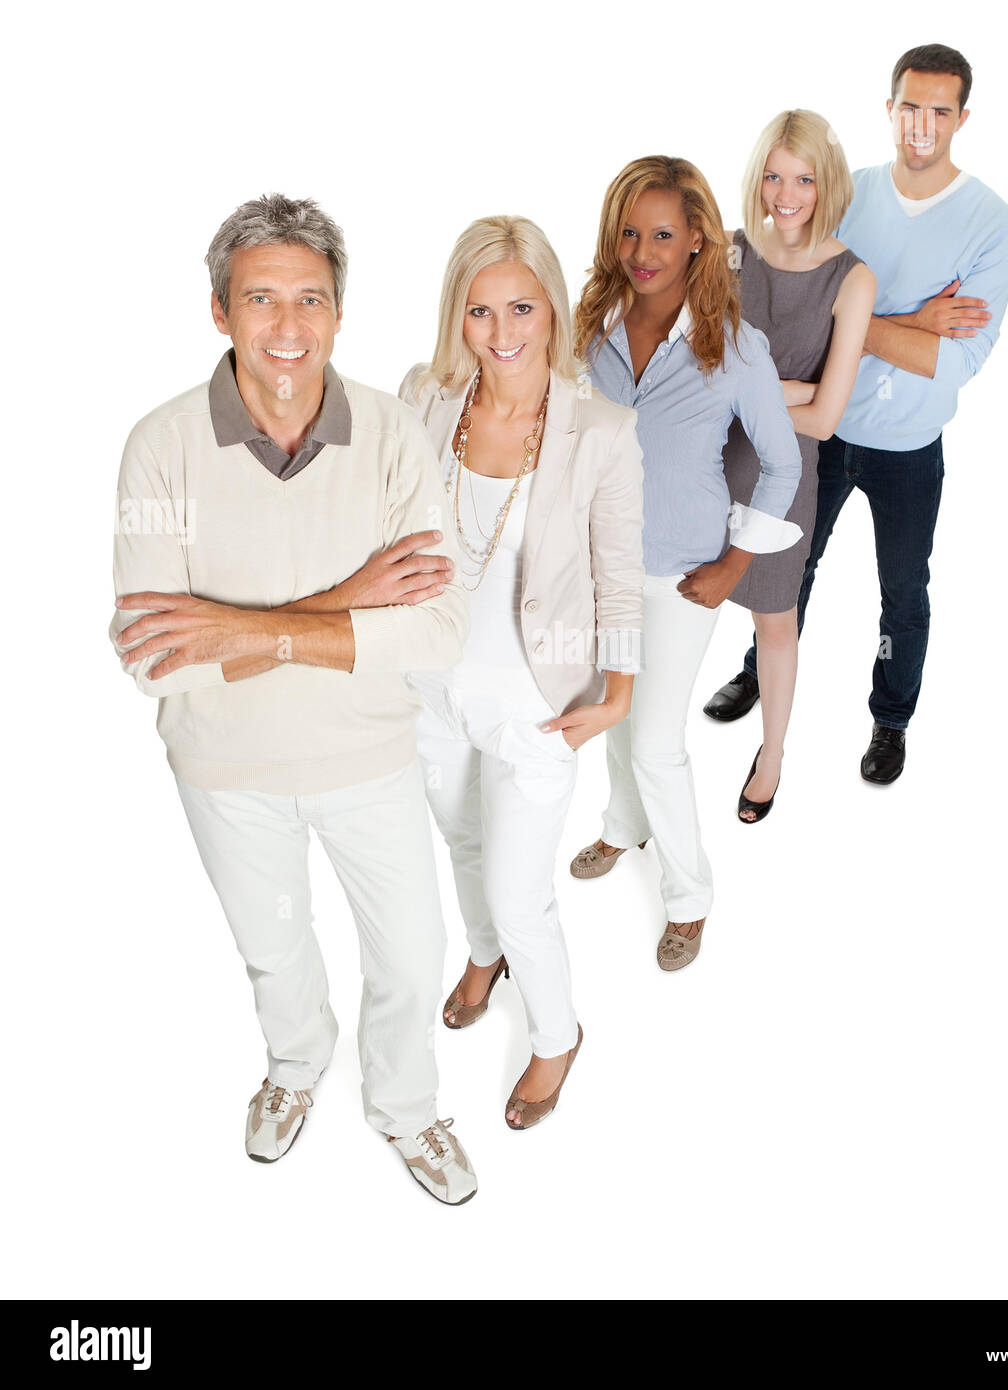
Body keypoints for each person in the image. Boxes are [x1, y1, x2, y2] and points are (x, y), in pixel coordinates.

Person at [110, 193, 479, 1205]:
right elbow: (154, 660)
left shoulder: (396, 434)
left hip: (368, 757)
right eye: (260, 298)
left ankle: (406, 1108)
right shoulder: (159, 446)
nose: (287, 326)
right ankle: (295, 1065)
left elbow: (439, 630)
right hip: (230, 773)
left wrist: (234, 628)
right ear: (219, 311)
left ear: (340, 312)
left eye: (309, 299)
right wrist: (350, 602)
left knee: (412, 954)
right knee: (276, 950)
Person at [705, 44, 1008, 785]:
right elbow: (802, 278)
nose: (921, 124)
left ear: (961, 118)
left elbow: (957, 362)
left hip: (908, 444)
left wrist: (853, 320)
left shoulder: (992, 222)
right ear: (889, 108)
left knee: (903, 588)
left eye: (939, 110)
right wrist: (911, 317)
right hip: (823, 430)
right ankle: (757, 669)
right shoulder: (850, 192)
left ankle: (890, 720)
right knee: (792, 562)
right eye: (909, 106)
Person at [398, 216, 643, 1129]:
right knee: (461, 844)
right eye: (479, 312)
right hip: (432, 685)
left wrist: (617, 693)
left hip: (539, 701)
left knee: (518, 884)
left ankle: (555, 1035)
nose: (501, 333)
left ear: (551, 309)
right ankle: (484, 954)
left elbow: (619, 573)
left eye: (521, 308)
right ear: (455, 317)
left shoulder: (601, 431)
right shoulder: (424, 399)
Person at [569, 155, 803, 969]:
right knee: (612, 717)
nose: (643, 250)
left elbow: (783, 466)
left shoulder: (734, 347)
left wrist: (737, 565)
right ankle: (619, 827)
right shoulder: (587, 328)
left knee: (656, 738)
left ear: (698, 239)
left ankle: (688, 899)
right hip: (600, 568)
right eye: (630, 232)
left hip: (681, 575)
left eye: (663, 234)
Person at [704, 110, 875, 822]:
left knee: (775, 620)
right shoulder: (730, 253)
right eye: (773, 175)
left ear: (824, 183)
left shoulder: (850, 277)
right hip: (703, 461)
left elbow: (827, 417)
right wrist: (791, 388)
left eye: (802, 177)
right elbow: (698, 374)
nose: (785, 191)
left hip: (782, 473)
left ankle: (771, 754)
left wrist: (759, 393)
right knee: (679, 604)